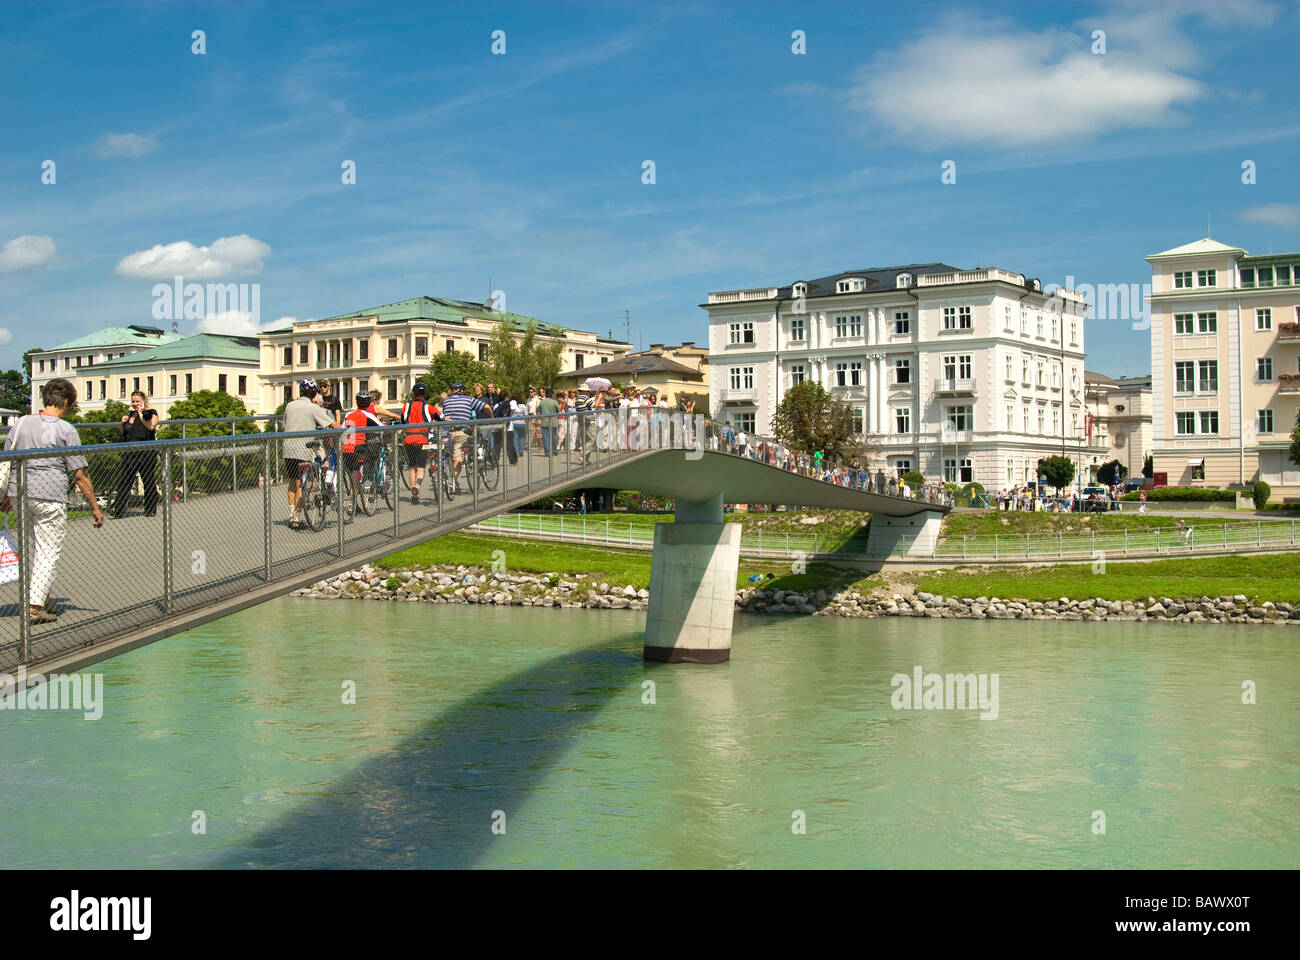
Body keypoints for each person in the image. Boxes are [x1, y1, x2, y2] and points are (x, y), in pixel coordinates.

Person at [1, 378, 105, 623]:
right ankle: (34, 606)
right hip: (50, 497)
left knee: (34, 548)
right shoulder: (65, 429)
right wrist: (94, 506)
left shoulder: (20, 424)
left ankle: (42, 595)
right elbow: (79, 473)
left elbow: (7, 459)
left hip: (20, 493)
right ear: (66, 402)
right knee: (48, 551)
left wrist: (6, 493)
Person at [283, 379, 341, 530]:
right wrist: (347, 430)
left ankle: (291, 514)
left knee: (292, 482)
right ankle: (297, 517)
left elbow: (284, 424)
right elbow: (332, 424)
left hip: (288, 448)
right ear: (314, 393)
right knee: (301, 484)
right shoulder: (313, 408)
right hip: (304, 449)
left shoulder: (289, 406)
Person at [111, 390, 160, 518]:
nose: (135, 404)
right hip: (130, 452)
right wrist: (122, 423)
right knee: (125, 480)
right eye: (133, 401)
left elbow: (151, 427)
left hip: (146, 452)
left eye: (137, 401)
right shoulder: (130, 414)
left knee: (148, 480)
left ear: (143, 401)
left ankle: (150, 509)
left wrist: (141, 414)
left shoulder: (151, 413)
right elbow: (124, 431)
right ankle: (118, 510)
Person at [400, 382, 441, 503]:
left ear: (414, 394)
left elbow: (402, 420)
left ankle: (414, 494)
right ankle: (418, 486)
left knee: (412, 467)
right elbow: (441, 417)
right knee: (421, 467)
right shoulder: (429, 408)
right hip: (422, 439)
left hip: (409, 439)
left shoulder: (406, 406)